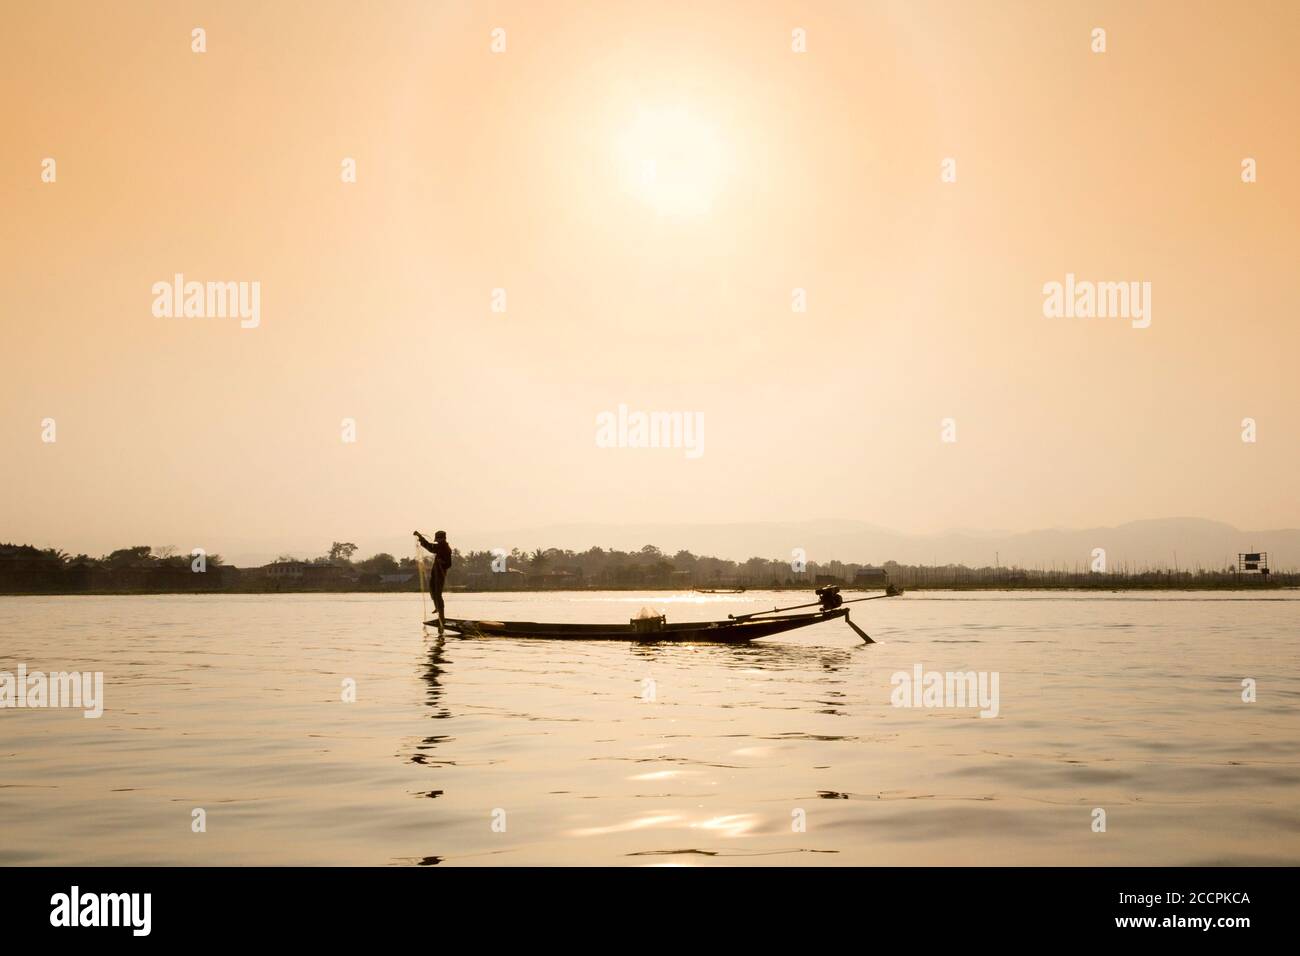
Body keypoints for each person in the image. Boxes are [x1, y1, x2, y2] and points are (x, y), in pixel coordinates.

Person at [414, 530, 453, 632]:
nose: (437, 541)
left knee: (438, 594)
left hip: (440, 574)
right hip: (435, 573)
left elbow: (449, 564)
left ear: (442, 539)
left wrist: (442, 562)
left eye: (439, 539)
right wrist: (420, 537)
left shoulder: (446, 549)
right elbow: (430, 547)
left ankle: (441, 617)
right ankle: (437, 607)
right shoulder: (439, 547)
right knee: (432, 591)